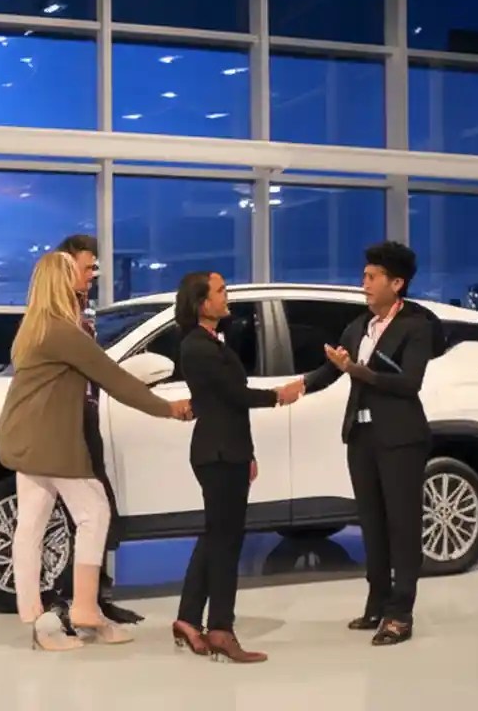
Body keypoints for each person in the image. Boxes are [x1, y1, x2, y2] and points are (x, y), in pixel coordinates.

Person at [0, 251, 192, 651]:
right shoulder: (63, 332)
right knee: (95, 511)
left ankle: (36, 620)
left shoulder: (33, 327)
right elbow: (113, 377)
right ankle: (85, 607)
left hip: (23, 437)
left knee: (30, 525)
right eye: (77, 273)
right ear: (61, 282)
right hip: (50, 440)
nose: (89, 277)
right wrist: (167, 408)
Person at [277, 241, 435, 646]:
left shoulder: (417, 325)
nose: (363, 284)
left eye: (371, 277)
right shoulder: (359, 324)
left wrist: (358, 371)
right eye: (364, 276)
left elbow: (408, 383)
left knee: (402, 527)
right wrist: (301, 386)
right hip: (361, 436)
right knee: (373, 524)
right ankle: (377, 603)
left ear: (396, 283)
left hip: (400, 438)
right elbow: (335, 367)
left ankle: (401, 614)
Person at [172, 271, 286, 664]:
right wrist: (277, 396)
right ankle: (220, 628)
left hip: (229, 451)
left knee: (216, 536)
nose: (227, 296)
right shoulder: (197, 346)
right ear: (203, 304)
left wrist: (248, 452)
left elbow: (226, 406)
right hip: (218, 454)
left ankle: (189, 620)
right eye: (221, 291)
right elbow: (235, 396)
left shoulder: (211, 342)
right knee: (226, 543)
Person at [49, 233, 146, 630]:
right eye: (86, 268)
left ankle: (94, 598)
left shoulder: (81, 312)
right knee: (85, 513)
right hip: (65, 423)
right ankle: (68, 601)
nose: (92, 275)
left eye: (94, 268)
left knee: (99, 512)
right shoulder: (55, 317)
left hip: (87, 418)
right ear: (64, 267)